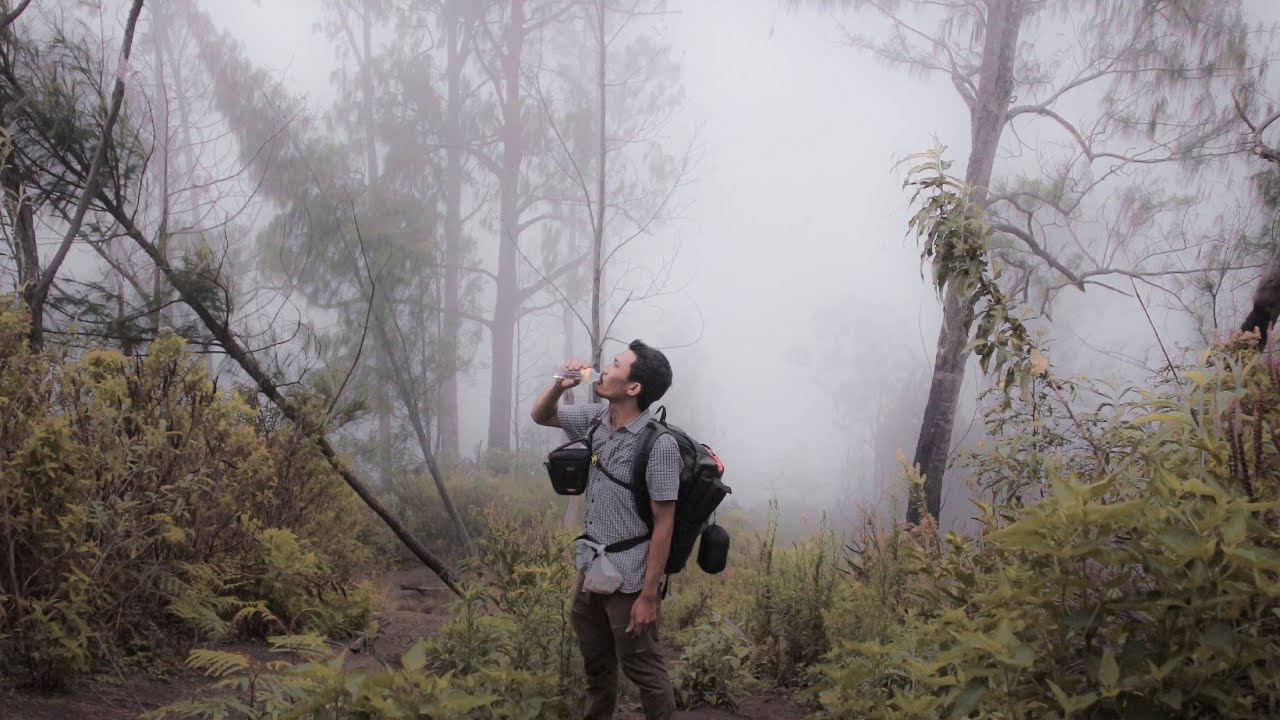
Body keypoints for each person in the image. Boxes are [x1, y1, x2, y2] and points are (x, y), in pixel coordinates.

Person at [530, 340, 680, 720]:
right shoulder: (597, 417)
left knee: (644, 671)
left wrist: (648, 596)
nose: (604, 369)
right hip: (591, 567)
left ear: (633, 388)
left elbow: (665, 524)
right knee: (597, 667)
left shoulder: (658, 444)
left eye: (615, 365)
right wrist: (560, 386)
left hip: (630, 577)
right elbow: (541, 416)